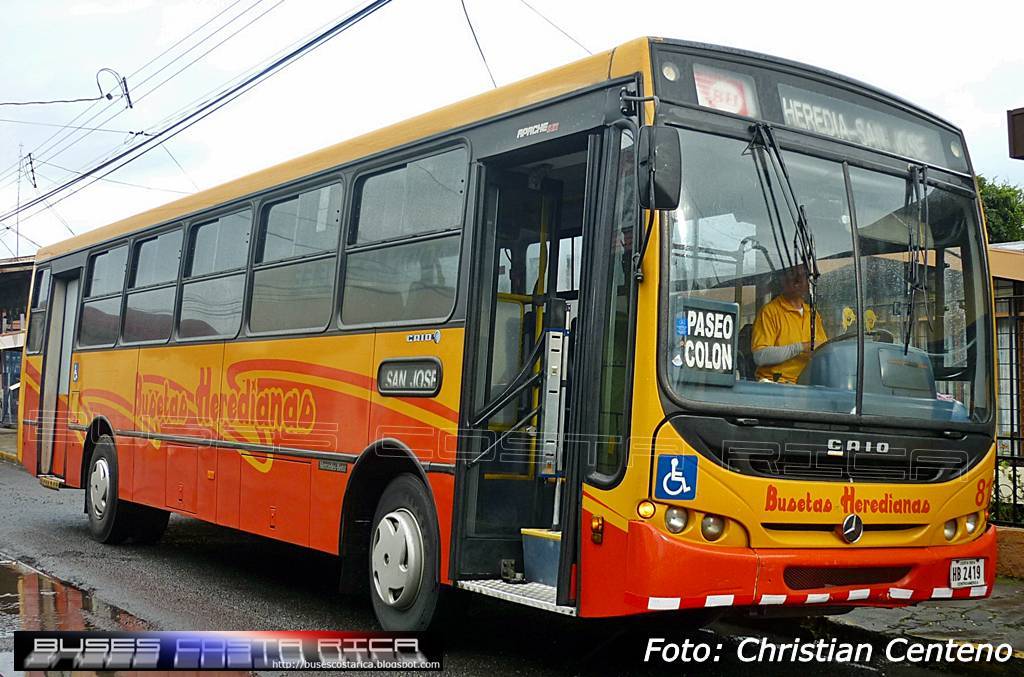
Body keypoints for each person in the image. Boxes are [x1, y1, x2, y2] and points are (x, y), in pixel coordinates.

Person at [751, 266, 827, 383]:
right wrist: (801, 347)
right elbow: (760, 356)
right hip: (775, 385)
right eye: (793, 274)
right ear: (782, 280)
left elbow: (824, 350)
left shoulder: (812, 314)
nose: (799, 280)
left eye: (803, 275)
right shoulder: (770, 312)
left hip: (808, 385)